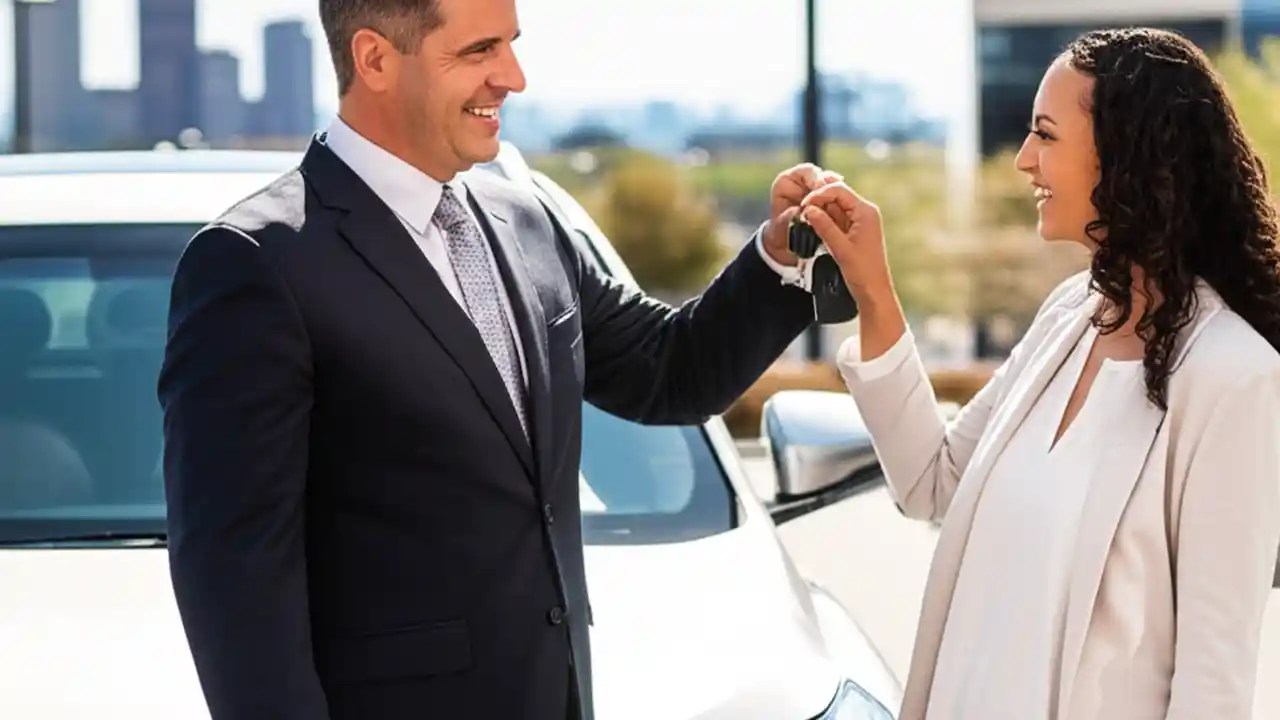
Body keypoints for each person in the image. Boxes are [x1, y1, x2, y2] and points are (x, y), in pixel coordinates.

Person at [156, 0, 831, 718]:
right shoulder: (256, 263)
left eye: (510, 44)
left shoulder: (528, 221)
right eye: (478, 51)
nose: (513, 76)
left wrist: (779, 256)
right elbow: (239, 584)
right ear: (375, 59)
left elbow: (670, 371)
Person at [799, 27, 1280, 720]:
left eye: (1046, 135)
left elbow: (1215, 678)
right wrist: (873, 290)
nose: (1025, 159)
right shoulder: (1067, 317)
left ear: (1127, 155)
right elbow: (931, 482)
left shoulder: (1234, 376)